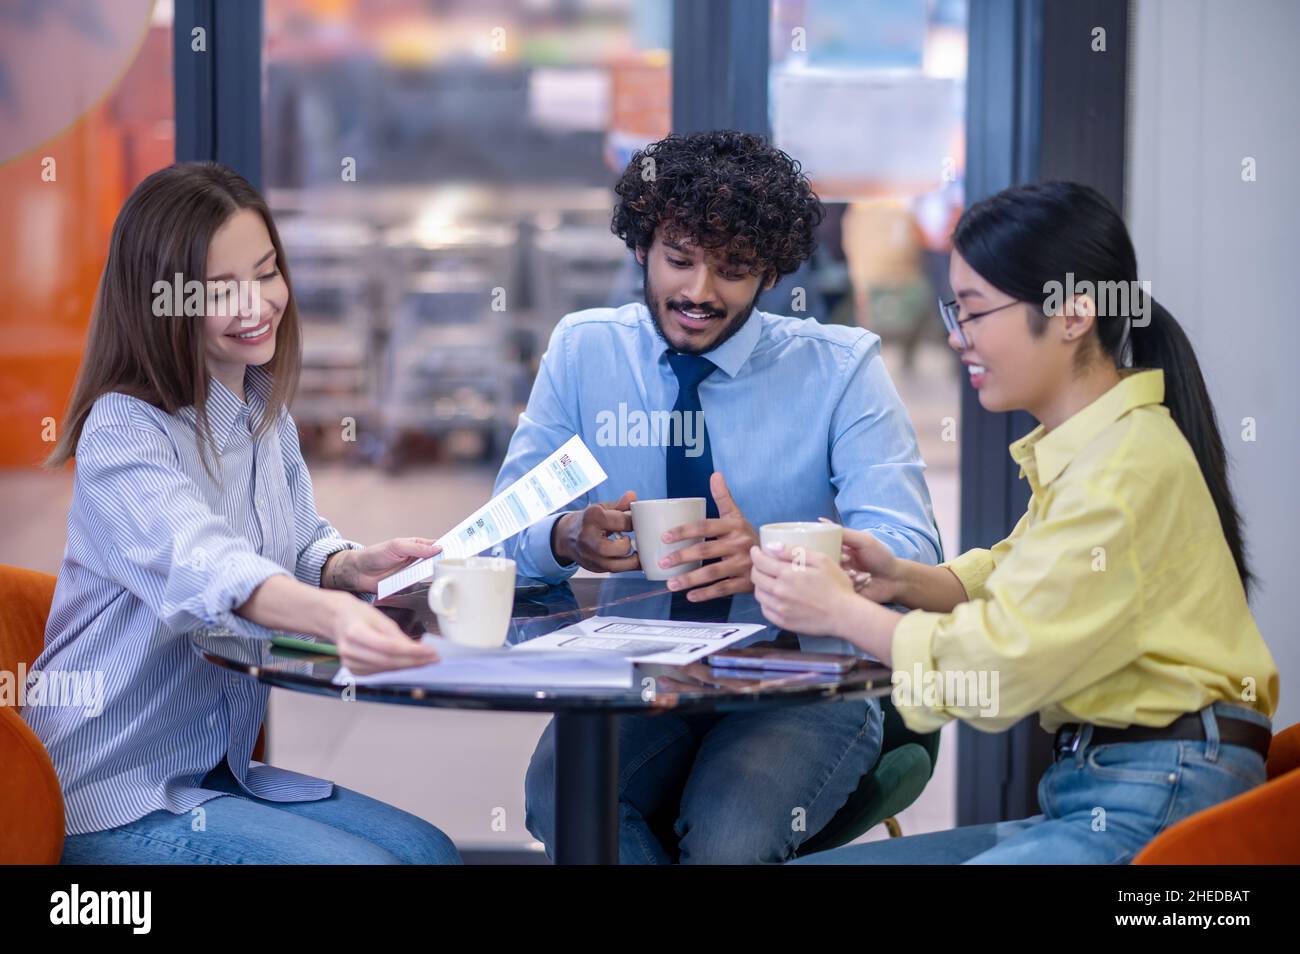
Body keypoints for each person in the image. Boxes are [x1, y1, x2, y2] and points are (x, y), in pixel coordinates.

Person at [749, 181, 1279, 864]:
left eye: (973, 311)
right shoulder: (1104, 445)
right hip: (1118, 791)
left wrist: (839, 612)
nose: (953, 334)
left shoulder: (1121, 468)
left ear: (1072, 314)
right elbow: (1021, 573)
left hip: (1160, 803)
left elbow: (994, 673)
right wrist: (901, 578)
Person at [495, 130, 942, 863]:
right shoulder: (585, 352)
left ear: (769, 274)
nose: (700, 292)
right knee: (561, 798)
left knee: (730, 835)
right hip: (639, 678)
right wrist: (566, 535)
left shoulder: (840, 370)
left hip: (800, 680)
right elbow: (499, 532)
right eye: (679, 259)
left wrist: (770, 558)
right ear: (642, 247)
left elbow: (911, 555)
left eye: (733, 269)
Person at [25, 162, 460, 864]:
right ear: (160, 301)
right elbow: (210, 567)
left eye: (265, 273)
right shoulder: (124, 432)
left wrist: (349, 566)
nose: (256, 304)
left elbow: (296, 542)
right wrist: (332, 618)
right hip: (103, 793)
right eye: (221, 289)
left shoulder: (266, 416)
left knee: (429, 852)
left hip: (217, 774)